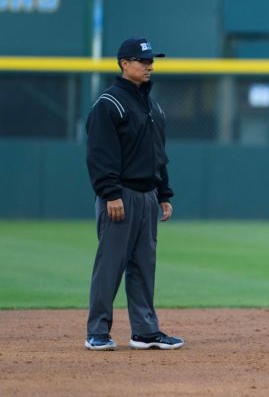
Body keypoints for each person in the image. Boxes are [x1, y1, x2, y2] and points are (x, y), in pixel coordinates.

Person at [84, 37, 183, 351]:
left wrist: (163, 193)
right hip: (121, 196)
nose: (149, 65)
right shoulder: (109, 104)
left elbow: (157, 153)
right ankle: (97, 332)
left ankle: (145, 331)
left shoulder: (152, 105)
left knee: (143, 265)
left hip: (147, 195)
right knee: (110, 264)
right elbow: (100, 155)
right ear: (124, 64)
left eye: (152, 60)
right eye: (143, 60)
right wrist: (110, 194)